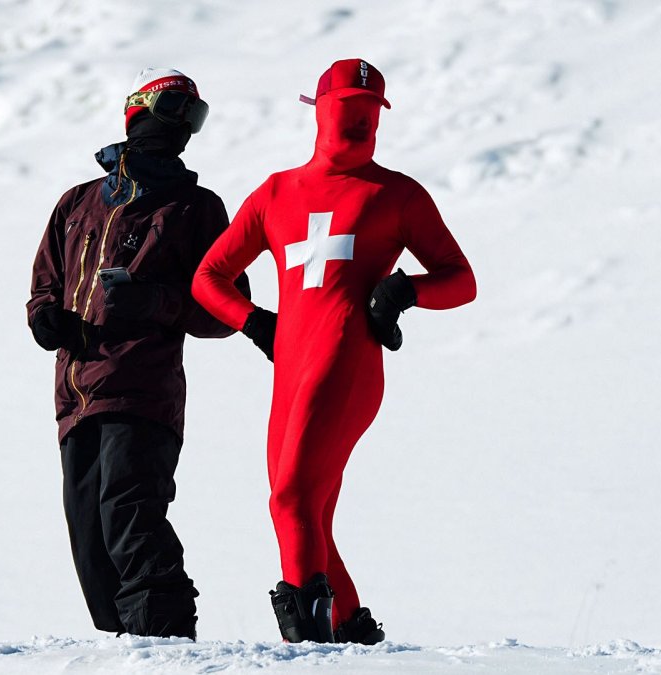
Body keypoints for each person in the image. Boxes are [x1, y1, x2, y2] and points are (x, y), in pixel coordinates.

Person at [192, 58, 476, 643]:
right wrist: (255, 324)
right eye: (349, 106)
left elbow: (461, 280)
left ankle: (309, 644)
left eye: (371, 110)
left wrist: (405, 291)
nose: (361, 119)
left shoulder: (397, 194)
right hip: (291, 366)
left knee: (293, 494)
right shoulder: (276, 192)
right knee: (300, 508)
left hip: (348, 360)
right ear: (320, 111)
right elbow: (208, 277)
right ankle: (350, 633)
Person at [26, 67, 249, 640]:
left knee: (129, 514)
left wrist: (151, 300)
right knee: (90, 539)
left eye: (193, 117)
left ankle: (166, 640)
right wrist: (45, 316)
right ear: (139, 110)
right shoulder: (76, 203)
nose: (183, 127)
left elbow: (225, 307)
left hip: (143, 389)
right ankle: (126, 648)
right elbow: (45, 283)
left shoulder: (195, 208)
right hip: (75, 394)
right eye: (175, 108)